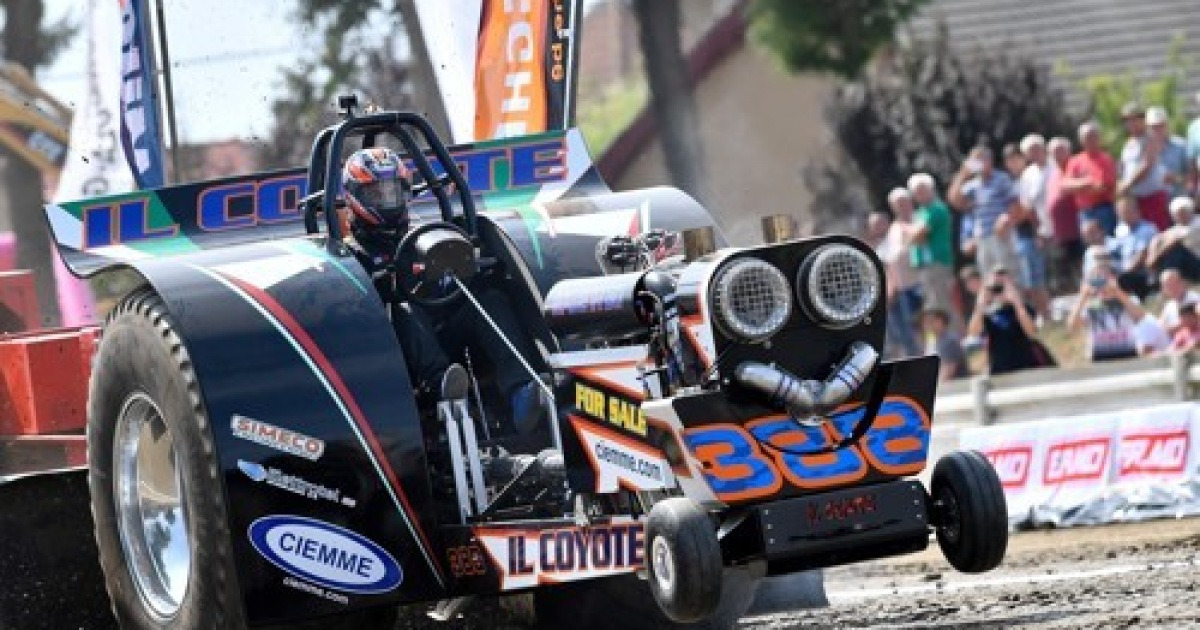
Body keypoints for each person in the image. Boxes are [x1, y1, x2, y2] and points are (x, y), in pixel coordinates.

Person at [340, 147, 546, 433]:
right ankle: (450, 395)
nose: (388, 201)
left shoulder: (425, 235)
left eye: (393, 192)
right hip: (396, 349)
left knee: (491, 300)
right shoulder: (349, 254)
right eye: (377, 194)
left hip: (443, 326)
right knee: (405, 310)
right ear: (354, 197)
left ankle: (522, 390)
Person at [1068, 249, 1170, 361]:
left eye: (1105, 278)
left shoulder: (1127, 299)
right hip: (1100, 354)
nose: (1101, 283)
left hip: (1127, 351)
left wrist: (1117, 291)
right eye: (1097, 278)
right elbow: (1073, 325)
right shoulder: (1091, 305)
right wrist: (1083, 296)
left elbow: (1140, 317)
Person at [948, 145, 1021, 279]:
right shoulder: (973, 186)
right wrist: (962, 175)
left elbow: (1014, 204)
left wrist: (1006, 220)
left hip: (1001, 235)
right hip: (982, 238)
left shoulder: (1001, 179)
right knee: (991, 280)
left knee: (1009, 277)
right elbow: (955, 200)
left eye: (981, 160)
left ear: (989, 161)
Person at [907, 173, 960, 330]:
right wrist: (913, 234)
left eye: (923, 189)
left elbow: (918, 235)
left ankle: (955, 336)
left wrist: (912, 233)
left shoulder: (936, 209)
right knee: (933, 304)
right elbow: (913, 237)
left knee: (943, 302)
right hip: (925, 264)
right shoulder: (920, 212)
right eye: (916, 191)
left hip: (938, 262)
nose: (920, 194)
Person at [870, 202, 921, 359]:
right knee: (897, 334)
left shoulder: (894, 237)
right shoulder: (877, 247)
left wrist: (892, 289)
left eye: (879, 223)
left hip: (901, 290)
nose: (877, 227)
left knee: (909, 328)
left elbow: (892, 266)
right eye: (873, 225)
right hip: (889, 296)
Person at [967, 267, 1041, 375]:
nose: (998, 291)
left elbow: (1031, 332)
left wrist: (1016, 302)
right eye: (995, 287)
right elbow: (973, 332)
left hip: (1025, 365)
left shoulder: (1023, 308)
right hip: (999, 368)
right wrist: (980, 305)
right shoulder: (986, 312)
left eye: (1001, 286)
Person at [1116, 103, 1171, 230]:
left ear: (1142, 120)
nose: (1131, 124)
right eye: (1128, 121)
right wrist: (1120, 183)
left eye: (1135, 119)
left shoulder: (1150, 138)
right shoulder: (1129, 143)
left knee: (1157, 231)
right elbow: (1123, 167)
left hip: (1152, 197)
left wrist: (1127, 184)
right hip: (1136, 199)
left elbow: (1147, 164)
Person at [1063, 121, 1118, 236]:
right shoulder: (1075, 161)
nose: (1090, 140)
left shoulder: (1106, 159)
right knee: (1090, 243)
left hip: (1104, 209)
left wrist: (1079, 187)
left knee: (1108, 239)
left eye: (1093, 137)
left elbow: (1103, 186)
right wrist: (1087, 182)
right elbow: (1066, 186)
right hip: (1084, 212)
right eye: (1087, 137)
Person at [1016, 134, 1051, 318]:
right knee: (1041, 275)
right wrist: (1037, 231)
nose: (1035, 153)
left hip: (1063, 225)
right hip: (1043, 230)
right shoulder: (1027, 176)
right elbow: (1027, 207)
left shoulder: (1057, 166)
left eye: (1037, 148)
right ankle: (1047, 314)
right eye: (1030, 151)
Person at [1047, 136, 1082, 289]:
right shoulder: (1053, 174)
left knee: (1083, 266)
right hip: (1061, 233)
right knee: (1068, 273)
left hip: (1079, 229)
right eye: (1054, 152)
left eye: (1061, 150)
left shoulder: (1076, 167)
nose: (1057, 155)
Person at [1108, 195, 1159, 298]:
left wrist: (1124, 273)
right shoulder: (1120, 230)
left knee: (1122, 280)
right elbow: (1116, 254)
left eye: (1127, 211)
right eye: (1121, 212)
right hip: (1124, 271)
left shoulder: (1147, 229)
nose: (1124, 215)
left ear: (1137, 211)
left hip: (1143, 272)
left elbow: (1142, 255)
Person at [1145, 196, 1200, 281]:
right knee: (1159, 243)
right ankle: (1158, 278)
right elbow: (1158, 239)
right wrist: (1153, 252)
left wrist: (1154, 258)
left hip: (1197, 264)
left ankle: (1168, 279)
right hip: (1187, 265)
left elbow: (1175, 241)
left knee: (1176, 250)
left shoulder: (1197, 223)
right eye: (1178, 213)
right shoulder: (1177, 228)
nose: (1181, 215)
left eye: (1184, 211)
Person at [1146, 106, 1188, 200]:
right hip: (1152, 202)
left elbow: (1193, 177)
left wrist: (1176, 179)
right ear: (1147, 128)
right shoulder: (1141, 149)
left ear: (1167, 125)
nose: (1157, 129)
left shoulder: (1181, 146)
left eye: (1161, 125)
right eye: (1153, 127)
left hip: (1177, 202)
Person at [921, 307, 969, 381]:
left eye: (931, 321)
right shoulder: (933, 342)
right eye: (925, 322)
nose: (927, 325)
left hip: (957, 386)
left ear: (940, 321)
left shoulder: (948, 341)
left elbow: (948, 371)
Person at [1156, 269, 1200, 336]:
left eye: (1174, 283)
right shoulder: (1169, 305)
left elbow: (1188, 323)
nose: (1172, 288)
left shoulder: (1194, 299)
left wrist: (1169, 329)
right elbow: (1160, 325)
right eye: (1168, 286)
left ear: (1182, 282)